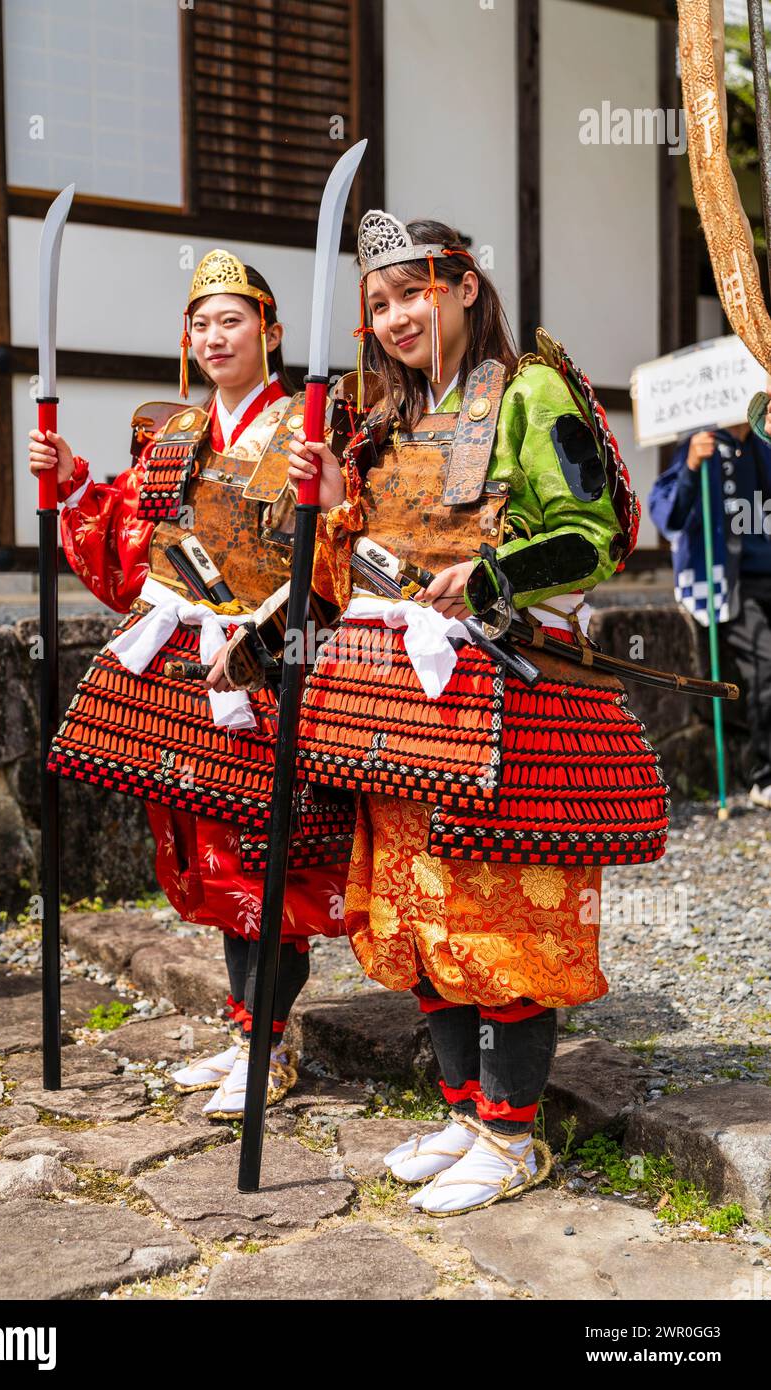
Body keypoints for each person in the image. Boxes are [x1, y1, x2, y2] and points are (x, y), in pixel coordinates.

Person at [286, 213, 667, 1216]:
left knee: (501, 922)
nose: (392, 317)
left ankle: (512, 1132)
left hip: (506, 703)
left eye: (408, 292)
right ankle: (463, 1111)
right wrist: (332, 502)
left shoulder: (531, 390)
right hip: (400, 708)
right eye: (375, 305)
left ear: (460, 286)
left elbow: (597, 533)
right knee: (418, 920)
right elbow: (354, 571)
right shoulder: (388, 425)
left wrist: (493, 570)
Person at [29, 249, 348, 1118]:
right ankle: (246, 1030)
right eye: (200, 323)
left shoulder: (309, 429)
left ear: (271, 333)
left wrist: (272, 634)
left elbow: (335, 555)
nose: (213, 336)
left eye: (231, 320)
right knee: (213, 853)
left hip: (267, 666)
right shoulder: (175, 438)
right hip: (187, 673)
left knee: (270, 854)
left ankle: (268, 1048)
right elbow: (132, 558)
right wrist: (73, 484)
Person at [649, 407, 771, 809]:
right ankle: (764, 773)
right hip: (727, 581)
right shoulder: (698, 443)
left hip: (765, 571)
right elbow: (667, 515)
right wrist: (689, 465)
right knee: (766, 666)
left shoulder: (761, 444)